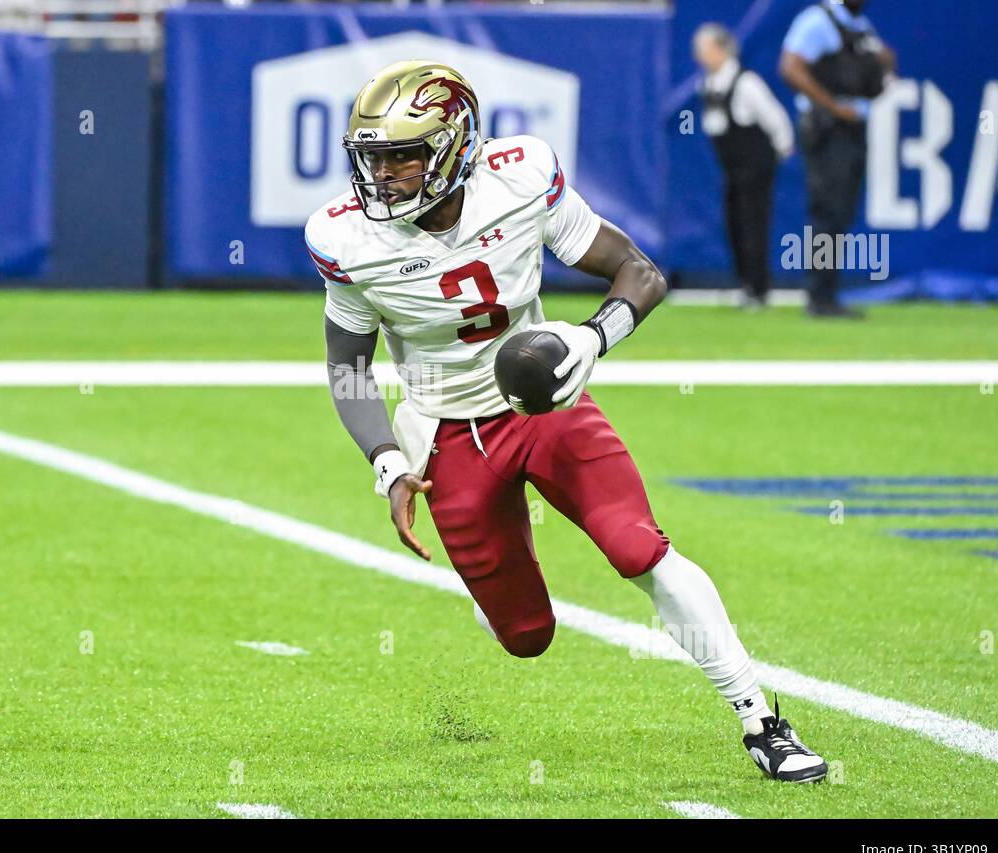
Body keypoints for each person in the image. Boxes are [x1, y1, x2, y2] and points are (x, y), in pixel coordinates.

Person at [309, 59, 828, 782]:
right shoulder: (346, 240)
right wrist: (388, 465)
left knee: (637, 549)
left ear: (455, 146)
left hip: (542, 403)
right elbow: (347, 368)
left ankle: (761, 721)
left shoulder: (520, 178)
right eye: (374, 158)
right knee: (526, 636)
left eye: (405, 154)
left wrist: (589, 337)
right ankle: (505, 572)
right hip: (446, 431)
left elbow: (639, 271)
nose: (385, 175)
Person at [780, 0, 895, 318]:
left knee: (839, 214)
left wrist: (882, 63)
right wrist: (831, 106)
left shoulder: (860, 26)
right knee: (827, 214)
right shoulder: (818, 20)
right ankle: (820, 297)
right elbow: (790, 67)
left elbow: (880, 64)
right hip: (828, 129)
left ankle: (826, 293)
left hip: (851, 127)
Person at [694, 23, 794, 308]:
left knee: (754, 224)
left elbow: (775, 118)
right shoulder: (708, 85)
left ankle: (759, 288)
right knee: (734, 224)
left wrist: (782, 147)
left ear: (722, 50)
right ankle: (745, 284)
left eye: (706, 50)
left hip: (756, 164)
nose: (701, 57)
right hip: (733, 167)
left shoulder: (746, 83)